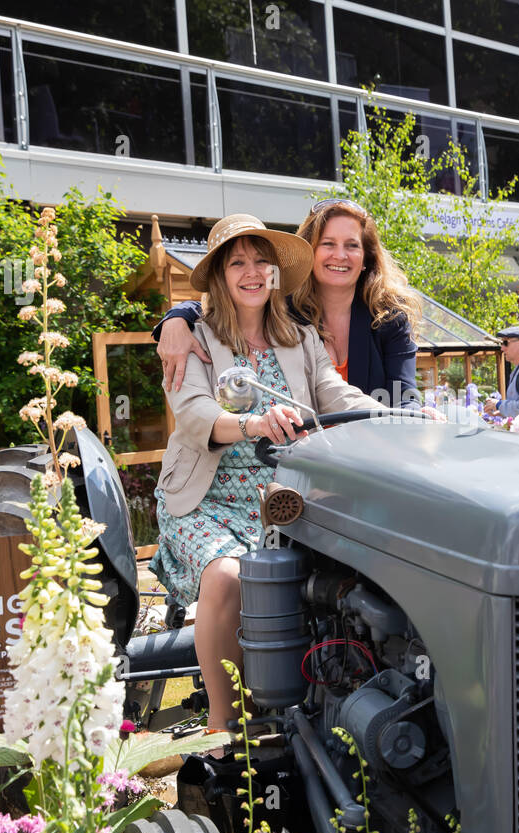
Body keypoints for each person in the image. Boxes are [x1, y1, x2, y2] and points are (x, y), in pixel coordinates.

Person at [150, 214, 384, 732]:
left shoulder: (299, 337)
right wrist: (253, 422)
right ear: (218, 277)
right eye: (237, 262)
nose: (252, 272)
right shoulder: (193, 338)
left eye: (262, 261)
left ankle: (312, 705)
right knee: (231, 577)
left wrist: (390, 413)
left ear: (276, 273)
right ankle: (223, 724)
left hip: (281, 501)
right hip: (204, 500)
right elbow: (192, 415)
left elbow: (333, 392)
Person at [156, 198, 423, 409]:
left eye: (352, 245)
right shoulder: (284, 308)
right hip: (303, 458)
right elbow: (228, 301)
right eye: (328, 243)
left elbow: (404, 394)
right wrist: (176, 319)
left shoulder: (388, 317)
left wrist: (411, 417)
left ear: (366, 257)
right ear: (310, 251)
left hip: (366, 450)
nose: (340, 255)